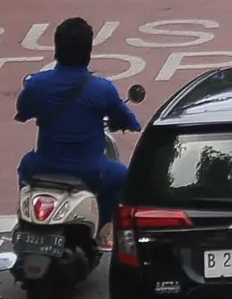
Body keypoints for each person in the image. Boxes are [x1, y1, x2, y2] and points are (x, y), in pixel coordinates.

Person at [14, 18, 142, 229]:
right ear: (88, 51)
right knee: (124, 177)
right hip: (89, 171)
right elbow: (125, 119)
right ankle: (103, 228)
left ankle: (26, 221)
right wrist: (131, 124)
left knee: (25, 166)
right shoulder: (102, 89)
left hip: (44, 166)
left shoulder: (37, 84)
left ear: (56, 48)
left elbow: (24, 111)